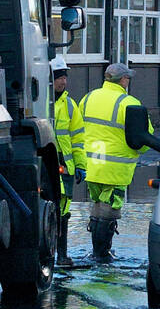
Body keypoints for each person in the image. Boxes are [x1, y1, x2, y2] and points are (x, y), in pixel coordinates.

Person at [81, 62, 154, 262]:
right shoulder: (130, 103)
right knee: (110, 209)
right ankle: (102, 255)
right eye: (127, 78)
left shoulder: (88, 98)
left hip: (90, 165)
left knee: (97, 207)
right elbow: (145, 140)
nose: (128, 81)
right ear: (123, 80)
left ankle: (96, 252)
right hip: (115, 169)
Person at [51, 57, 86, 266]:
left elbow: (78, 140)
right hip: (48, 166)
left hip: (66, 168)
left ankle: (61, 255)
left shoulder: (70, 106)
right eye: (58, 77)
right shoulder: (41, 102)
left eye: (64, 77)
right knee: (51, 211)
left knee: (63, 212)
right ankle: (51, 253)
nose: (62, 81)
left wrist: (81, 165)